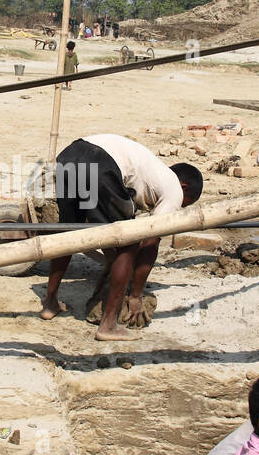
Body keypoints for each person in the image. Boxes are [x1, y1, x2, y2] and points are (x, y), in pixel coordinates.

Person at [39, 134, 202, 341]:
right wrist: (136, 294)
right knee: (129, 243)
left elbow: (102, 222)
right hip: (99, 161)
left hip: (71, 154)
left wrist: (110, 257)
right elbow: (151, 240)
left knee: (69, 233)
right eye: (185, 204)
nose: (180, 206)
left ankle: (50, 302)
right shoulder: (174, 190)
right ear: (185, 187)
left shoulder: (152, 169)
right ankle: (108, 325)